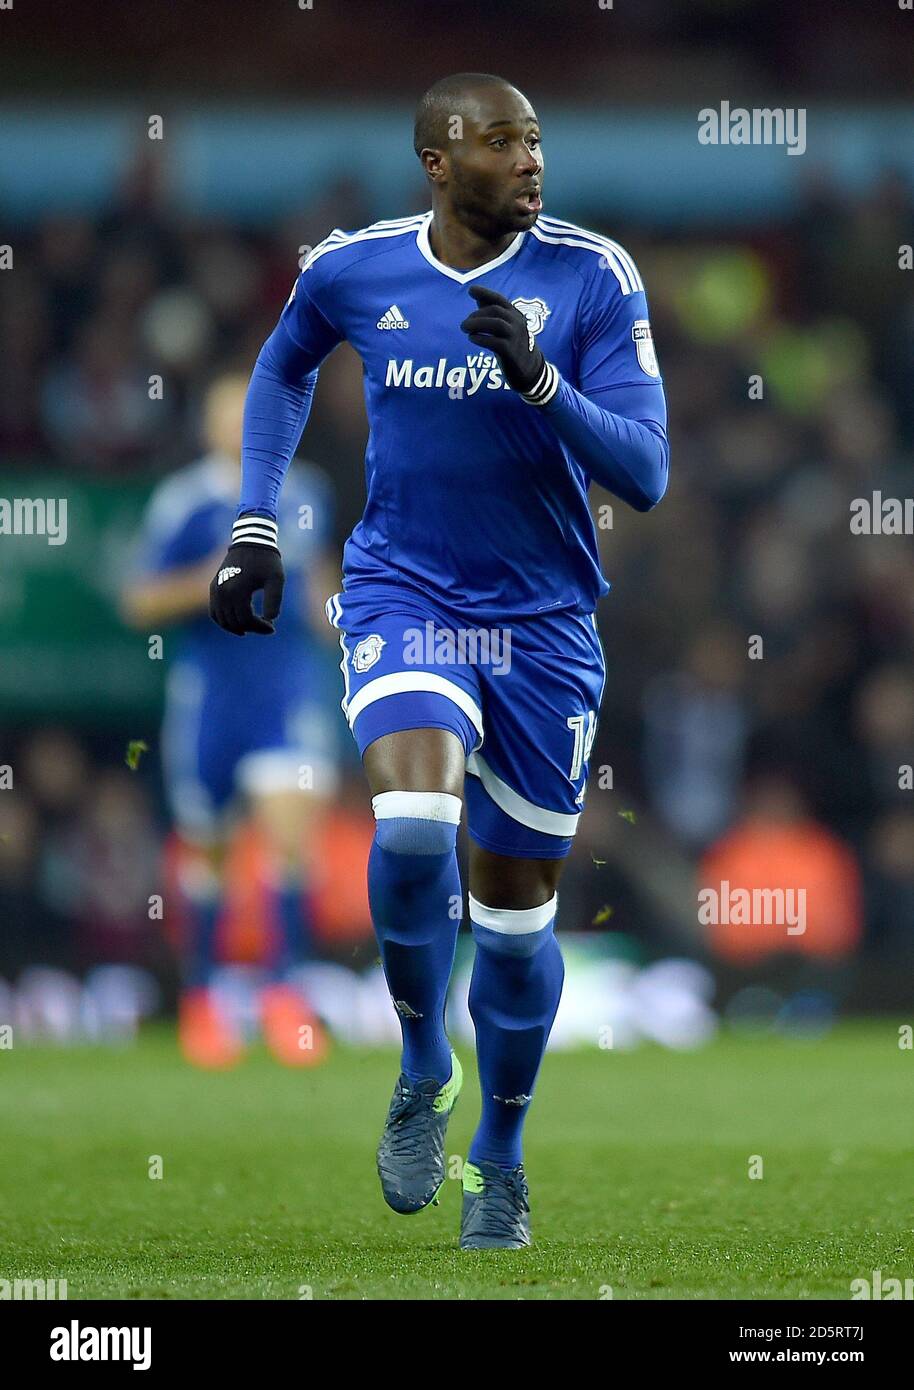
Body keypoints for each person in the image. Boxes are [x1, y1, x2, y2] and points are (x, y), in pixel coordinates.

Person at [210, 74, 669, 1247]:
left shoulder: (590, 275)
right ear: (436, 161)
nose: (529, 161)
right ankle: (423, 1064)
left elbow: (645, 472)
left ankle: (500, 1157)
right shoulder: (354, 267)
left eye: (536, 140)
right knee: (413, 822)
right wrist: (255, 524)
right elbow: (281, 367)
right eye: (502, 142)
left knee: (515, 920)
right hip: (403, 590)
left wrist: (538, 377)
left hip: (544, 625)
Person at [123, 370, 339, 1069]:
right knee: (208, 851)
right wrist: (212, 578)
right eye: (231, 414)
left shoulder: (304, 492)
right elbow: (140, 603)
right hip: (212, 698)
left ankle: (284, 995)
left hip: (284, 694)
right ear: (207, 424)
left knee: (290, 834)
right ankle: (205, 998)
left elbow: (316, 587)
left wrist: (348, 618)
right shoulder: (183, 502)